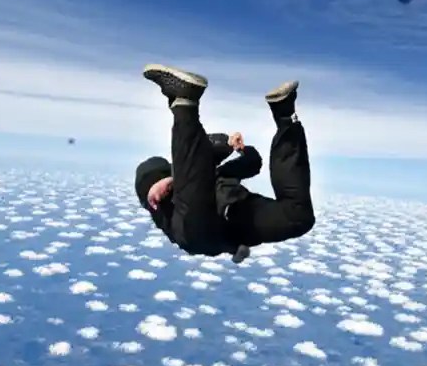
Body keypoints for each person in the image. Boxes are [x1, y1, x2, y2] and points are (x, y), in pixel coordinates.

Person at [134, 64, 316, 264]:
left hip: (236, 215)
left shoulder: (219, 173)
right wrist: (159, 183)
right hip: (194, 227)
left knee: (299, 218)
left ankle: (284, 116)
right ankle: (183, 103)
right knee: (195, 211)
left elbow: (252, 162)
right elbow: (147, 180)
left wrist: (237, 147)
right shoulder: (163, 199)